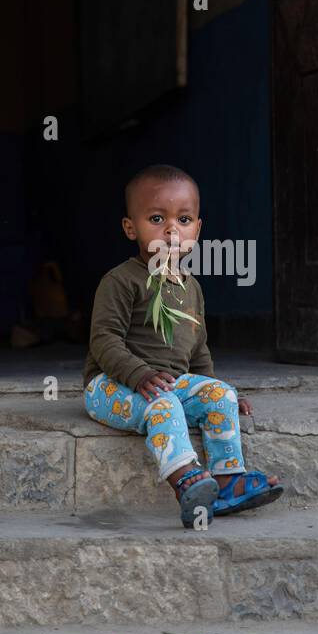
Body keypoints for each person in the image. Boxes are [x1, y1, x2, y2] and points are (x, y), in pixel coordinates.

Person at [82, 164, 285, 528]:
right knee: (163, 405)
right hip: (110, 385)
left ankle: (226, 481)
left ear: (198, 229)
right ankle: (185, 480)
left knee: (221, 394)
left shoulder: (192, 287)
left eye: (184, 219)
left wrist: (212, 389)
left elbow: (198, 348)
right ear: (131, 228)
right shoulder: (122, 280)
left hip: (168, 382)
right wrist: (138, 373)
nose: (172, 229)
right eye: (157, 218)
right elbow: (104, 340)